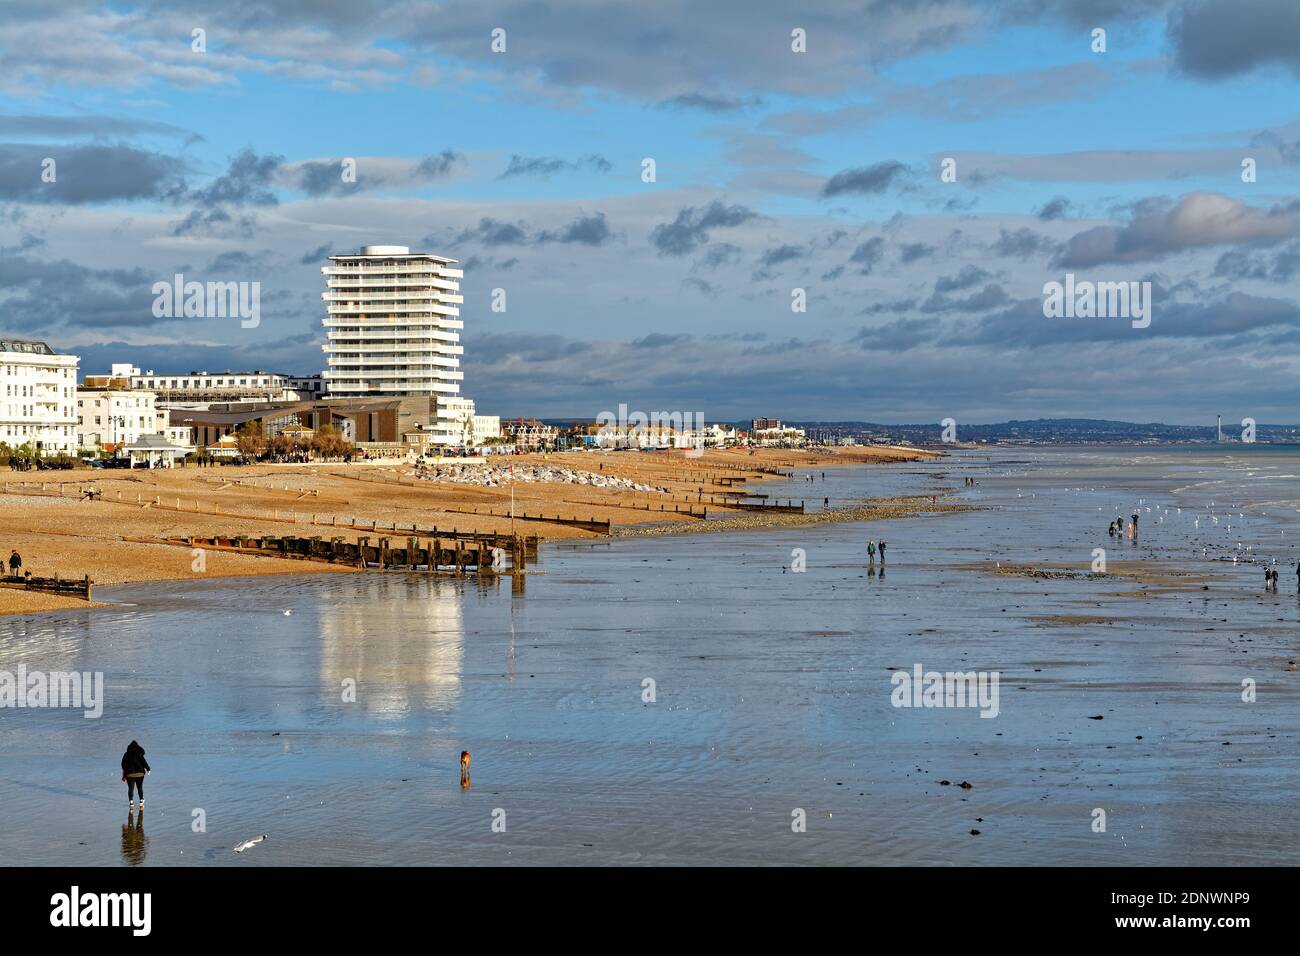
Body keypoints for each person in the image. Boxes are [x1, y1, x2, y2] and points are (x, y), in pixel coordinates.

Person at [121, 740, 150, 810]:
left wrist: (125, 771)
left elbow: (123, 764)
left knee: (131, 788)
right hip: (140, 774)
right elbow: (144, 762)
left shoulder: (126, 754)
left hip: (129, 774)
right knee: (139, 787)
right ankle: (141, 801)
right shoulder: (139, 753)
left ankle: (131, 802)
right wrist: (148, 769)